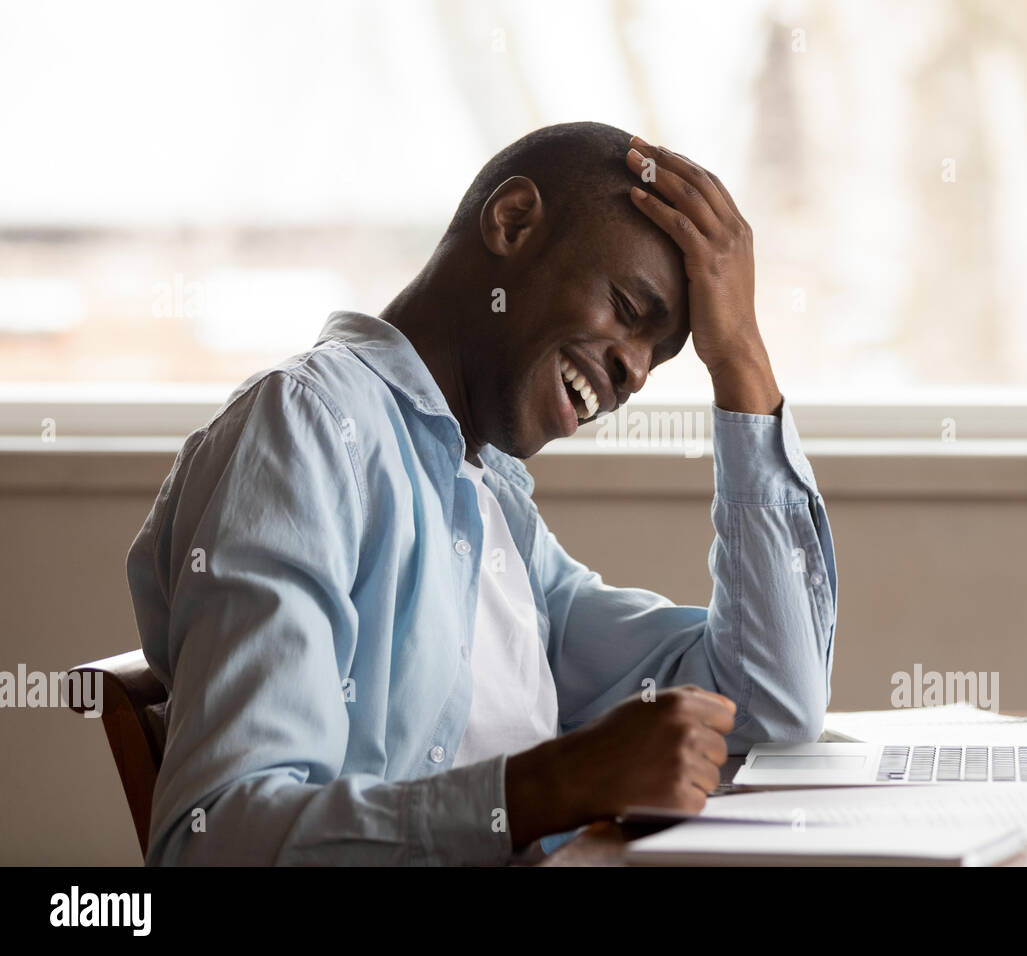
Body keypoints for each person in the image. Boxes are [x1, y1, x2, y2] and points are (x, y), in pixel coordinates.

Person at [126, 121, 837, 865]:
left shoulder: (491, 508)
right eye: (628, 311)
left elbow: (767, 707)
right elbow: (212, 838)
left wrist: (741, 360)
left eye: (657, 361)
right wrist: (550, 785)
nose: (633, 374)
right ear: (513, 221)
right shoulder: (307, 431)